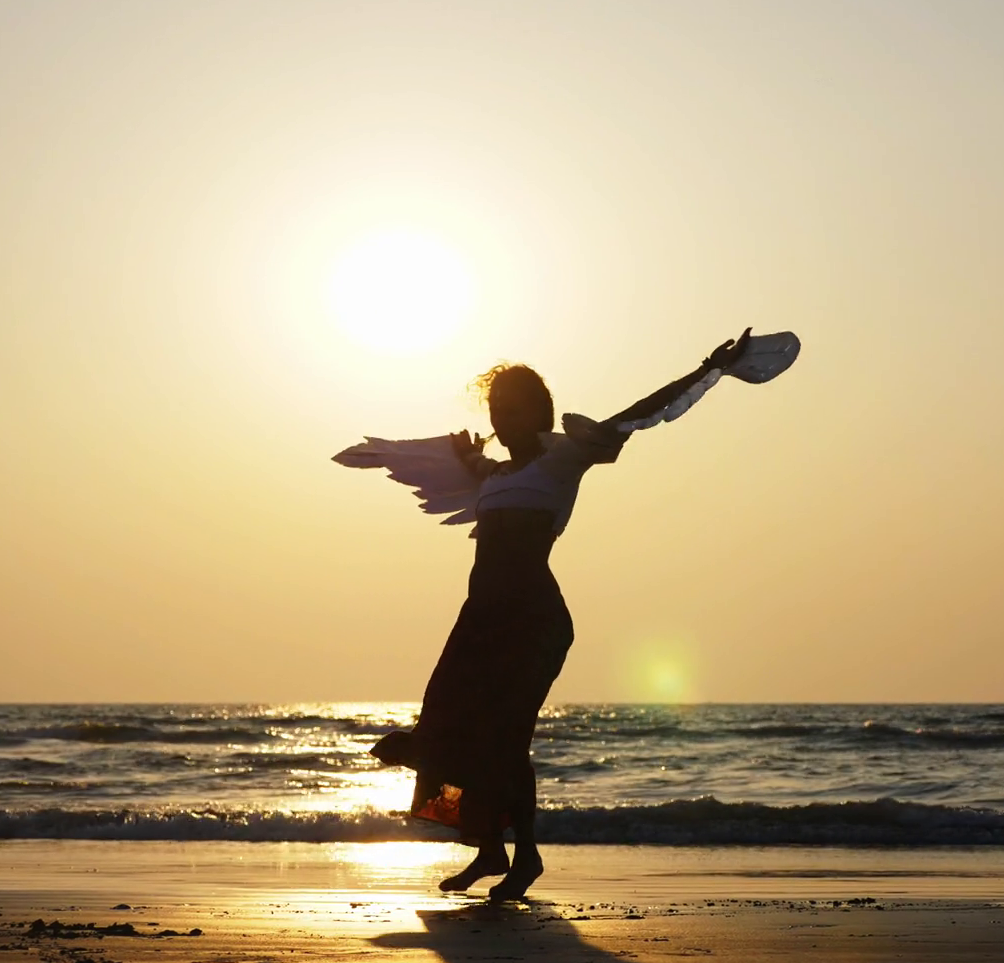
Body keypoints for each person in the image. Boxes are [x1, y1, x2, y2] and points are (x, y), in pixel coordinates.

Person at [338, 328, 799, 900]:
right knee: (448, 728)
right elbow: (420, 464)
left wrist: (708, 369)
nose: (499, 417)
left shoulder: (563, 458)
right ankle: (489, 851)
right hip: (478, 619)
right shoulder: (489, 475)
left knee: (507, 740)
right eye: (493, 408)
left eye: (510, 407)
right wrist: (456, 454)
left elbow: (638, 414)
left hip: (532, 618)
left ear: (538, 411)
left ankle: (525, 857)